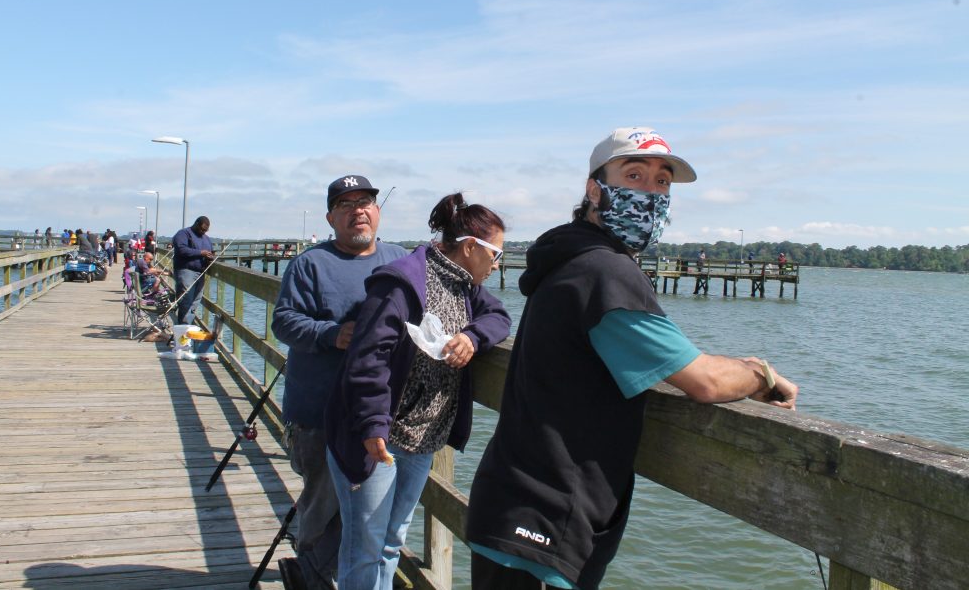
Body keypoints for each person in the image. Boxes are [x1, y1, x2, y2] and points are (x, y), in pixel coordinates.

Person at [465, 126, 798, 590]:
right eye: (634, 174)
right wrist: (759, 373)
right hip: (545, 519)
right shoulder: (605, 273)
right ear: (593, 189)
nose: (651, 191)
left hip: (513, 500)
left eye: (662, 182)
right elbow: (705, 382)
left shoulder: (570, 258)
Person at [325, 193, 512, 590]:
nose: (497, 266)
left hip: (425, 438)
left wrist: (473, 336)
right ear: (469, 247)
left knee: (392, 541)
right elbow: (368, 358)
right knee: (366, 546)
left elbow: (500, 316)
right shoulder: (402, 283)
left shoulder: (466, 286)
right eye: (494, 255)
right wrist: (372, 425)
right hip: (378, 438)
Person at [271, 175, 407, 590]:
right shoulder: (309, 264)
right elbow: (284, 321)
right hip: (319, 412)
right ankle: (310, 573)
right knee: (322, 505)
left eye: (365, 201)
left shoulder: (401, 260)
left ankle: (311, 573)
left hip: (381, 416)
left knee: (375, 514)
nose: (357, 211)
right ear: (332, 217)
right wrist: (334, 334)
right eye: (346, 205)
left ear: (378, 211)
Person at [171, 217, 215, 325]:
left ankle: (188, 326)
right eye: (201, 229)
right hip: (186, 270)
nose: (203, 232)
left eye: (205, 230)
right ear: (196, 224)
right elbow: (181, 250)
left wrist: (210, 256)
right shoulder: (183, 234)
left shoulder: (207, 239)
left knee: (195, 301)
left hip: (200, 272)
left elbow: (210, 251)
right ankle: (183, 329)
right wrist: (201, 253)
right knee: (186, 300)